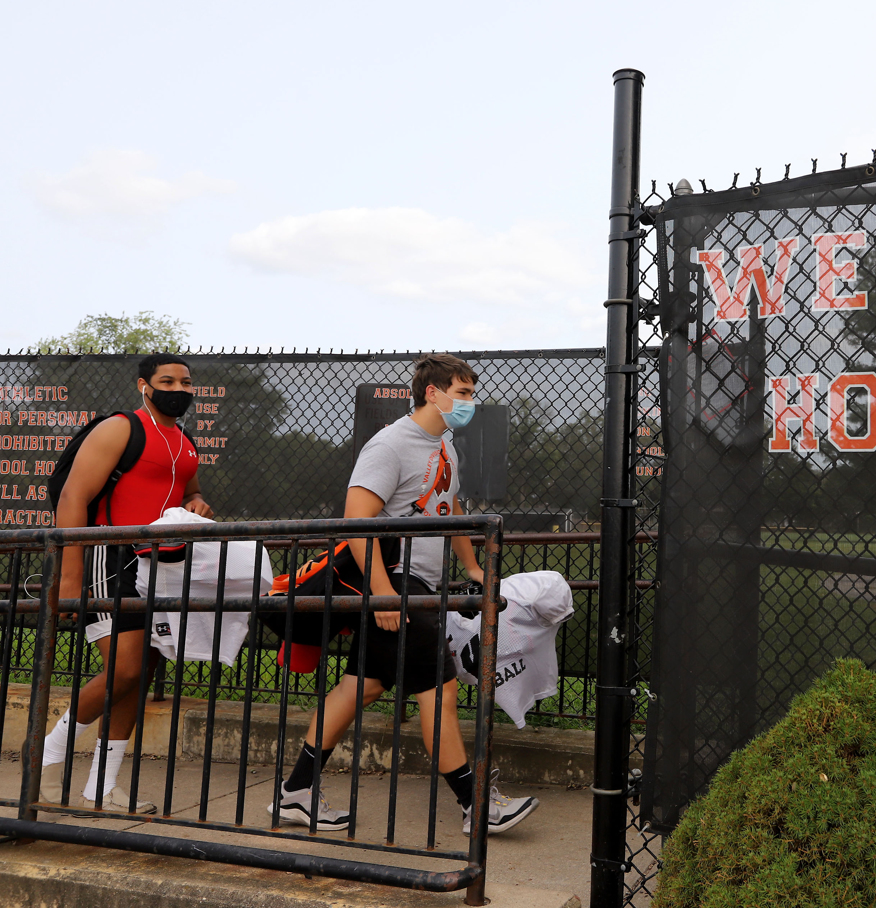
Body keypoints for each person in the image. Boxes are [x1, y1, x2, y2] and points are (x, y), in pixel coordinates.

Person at [270, 353, 539, 835]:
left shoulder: (444, 446)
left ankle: (295, 793)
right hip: (398, 586)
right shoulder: (390, 444)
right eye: (462, 393)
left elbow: (449, 506)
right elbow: (357, 521)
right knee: (442, 692)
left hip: (414, 588)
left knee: (362, 686)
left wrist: (473, 566)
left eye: (472, 394)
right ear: (432, 393)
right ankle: (478, 805)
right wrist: (382, 594)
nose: (469, 403)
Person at [40, 353, 213, 812]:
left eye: (186, 381)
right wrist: (71, 576)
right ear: (144, 385)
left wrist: (197, 502)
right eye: (167, 380)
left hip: (161, 564)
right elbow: (75, 497)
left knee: (142, 674)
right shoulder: (120, 428)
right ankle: (48, 754)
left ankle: (102, 787)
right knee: (126, 669)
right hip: (108, 556)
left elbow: (189, 489)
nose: (179, 388)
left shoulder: (184, 441)